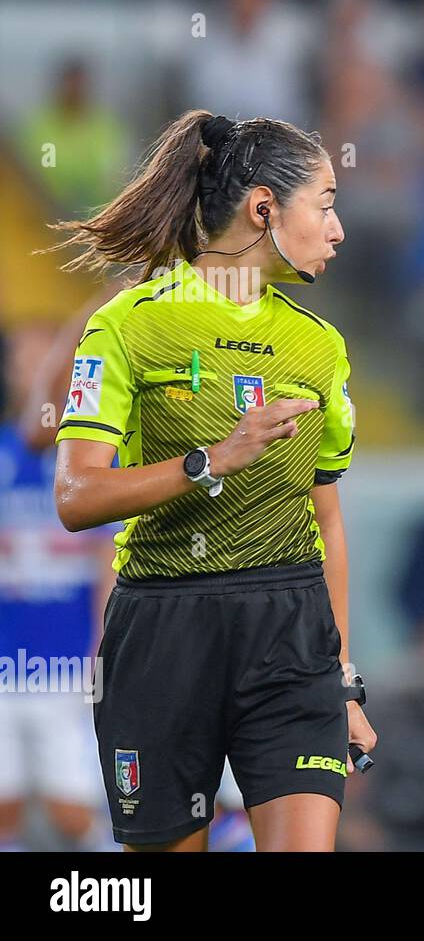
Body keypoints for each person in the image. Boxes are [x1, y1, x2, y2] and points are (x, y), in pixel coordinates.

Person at [47, 109, 375, 851]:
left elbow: (327, 522)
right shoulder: (129, 325)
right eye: (324, 204)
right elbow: (76, 498)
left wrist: (343, 678)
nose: (337, 229)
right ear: (264, 208)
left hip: (290, 632)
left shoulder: (320, 347)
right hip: (165, 629)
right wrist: (208, 462)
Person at [0, 322, 114, 851]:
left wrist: (105, 643)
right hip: (5, 658)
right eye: (28, 361)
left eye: (53, 363)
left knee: (75, 812)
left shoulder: (94, 456)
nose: (41, 374)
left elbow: (111, 557)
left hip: (66, 662)